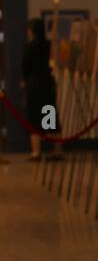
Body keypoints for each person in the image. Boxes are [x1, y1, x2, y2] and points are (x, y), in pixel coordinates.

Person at [21, 19, 58, 160]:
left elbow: (25, 67)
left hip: (35, 86)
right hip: (48, 84)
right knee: (50, 115)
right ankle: (56, 150)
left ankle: (36, 152)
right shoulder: (49, 46)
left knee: (35, 118)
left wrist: (25, 81)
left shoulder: (30, 47)